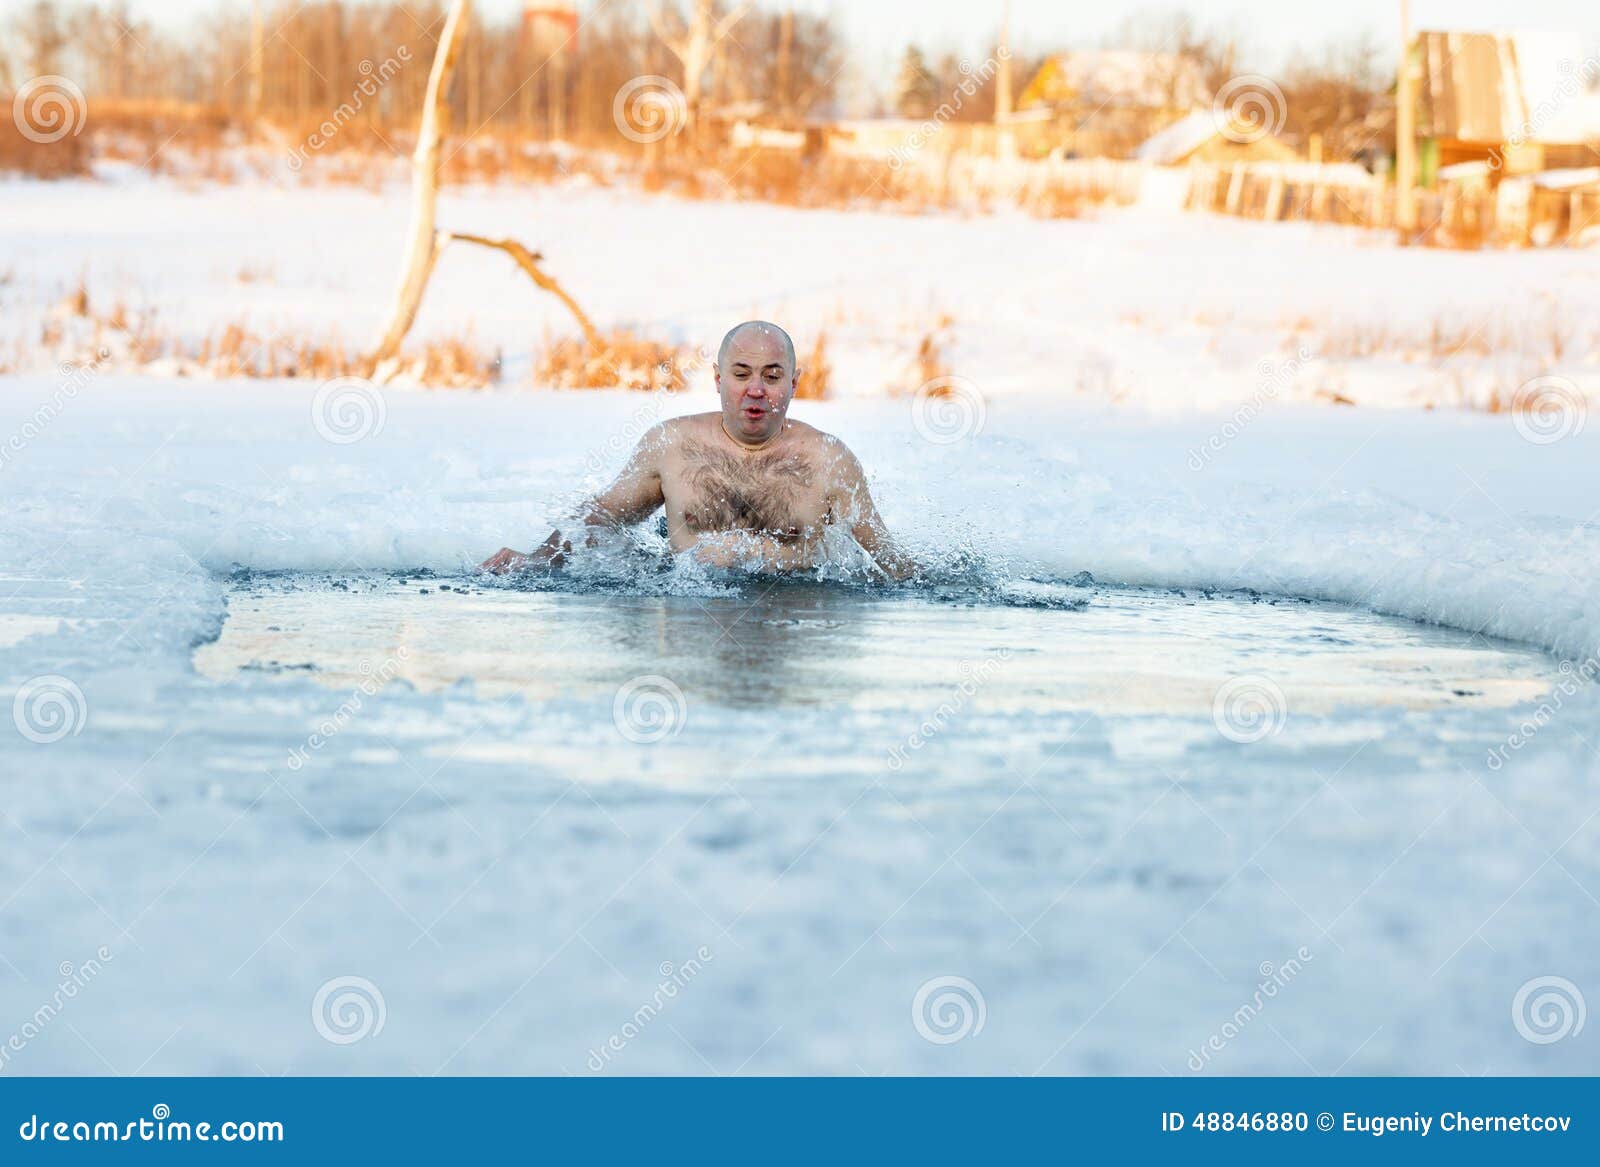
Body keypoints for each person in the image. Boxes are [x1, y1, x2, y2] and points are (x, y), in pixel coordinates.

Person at [480, 320, 917, 579]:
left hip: (794, 621)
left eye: (772, 375)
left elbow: (892, 564)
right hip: (694, 626)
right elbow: (600, 519)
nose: (757, 390)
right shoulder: (672, 446)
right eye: (742, 374)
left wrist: (761, 554)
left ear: (794, 383)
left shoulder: (827, 460)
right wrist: (535, 561)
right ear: (718, 379)